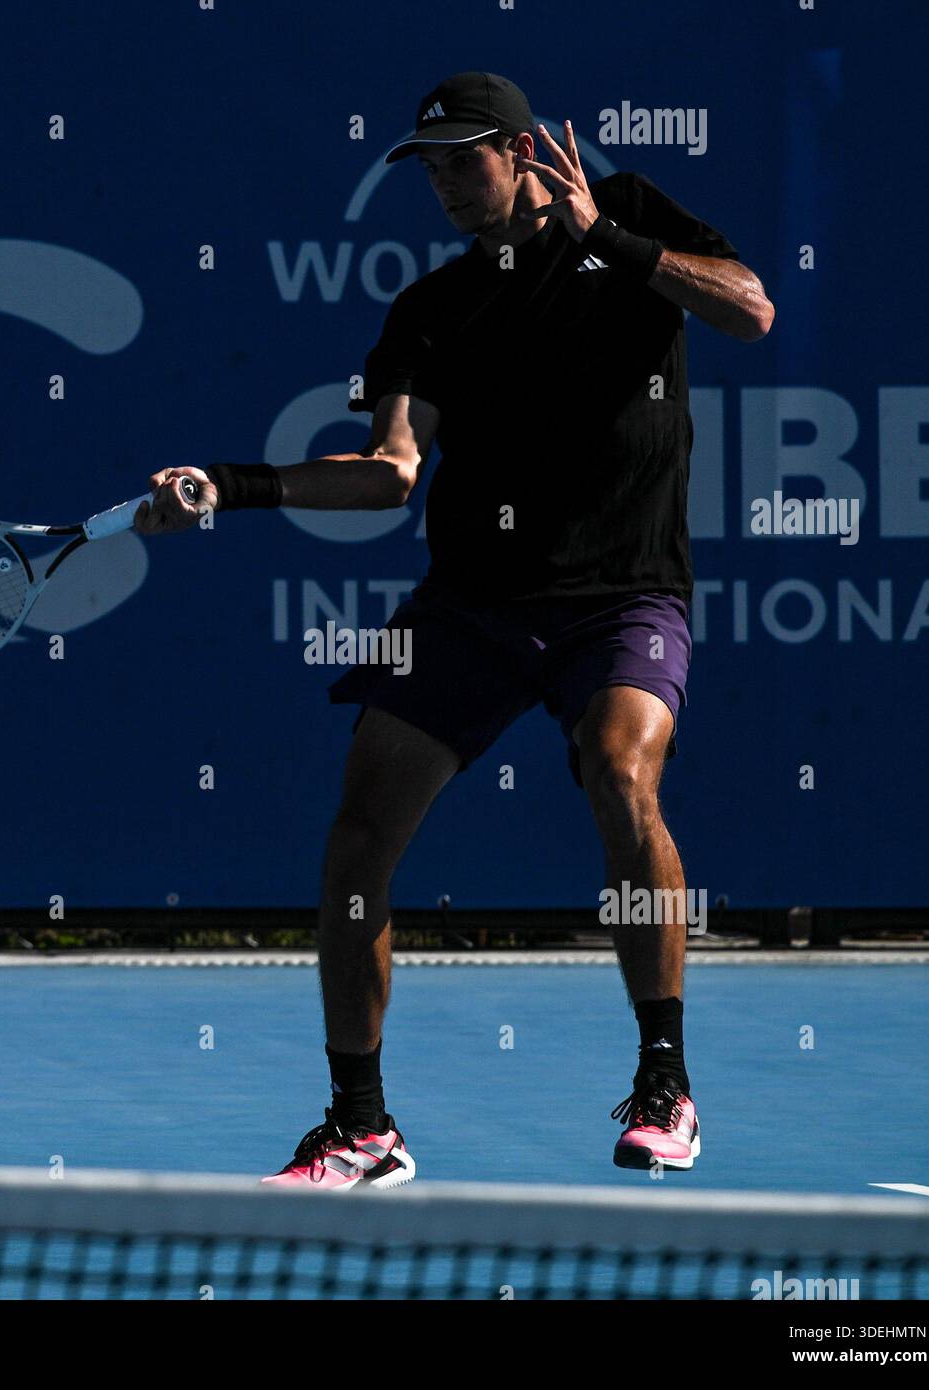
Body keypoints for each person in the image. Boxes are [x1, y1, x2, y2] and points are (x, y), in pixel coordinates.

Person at [136, 71, 774, 1187]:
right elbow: (389, 476)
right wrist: (230, 486)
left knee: (620, 775)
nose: (440, 184)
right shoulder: (430, 310)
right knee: (357, 834)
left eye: (459, 160)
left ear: (524, 151)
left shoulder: (623, 210)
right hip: (472, 603)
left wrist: (608, 240)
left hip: (621, 593)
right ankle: (360, 1125)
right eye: (426, 167)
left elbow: (750, 308)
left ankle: (665, 1085)